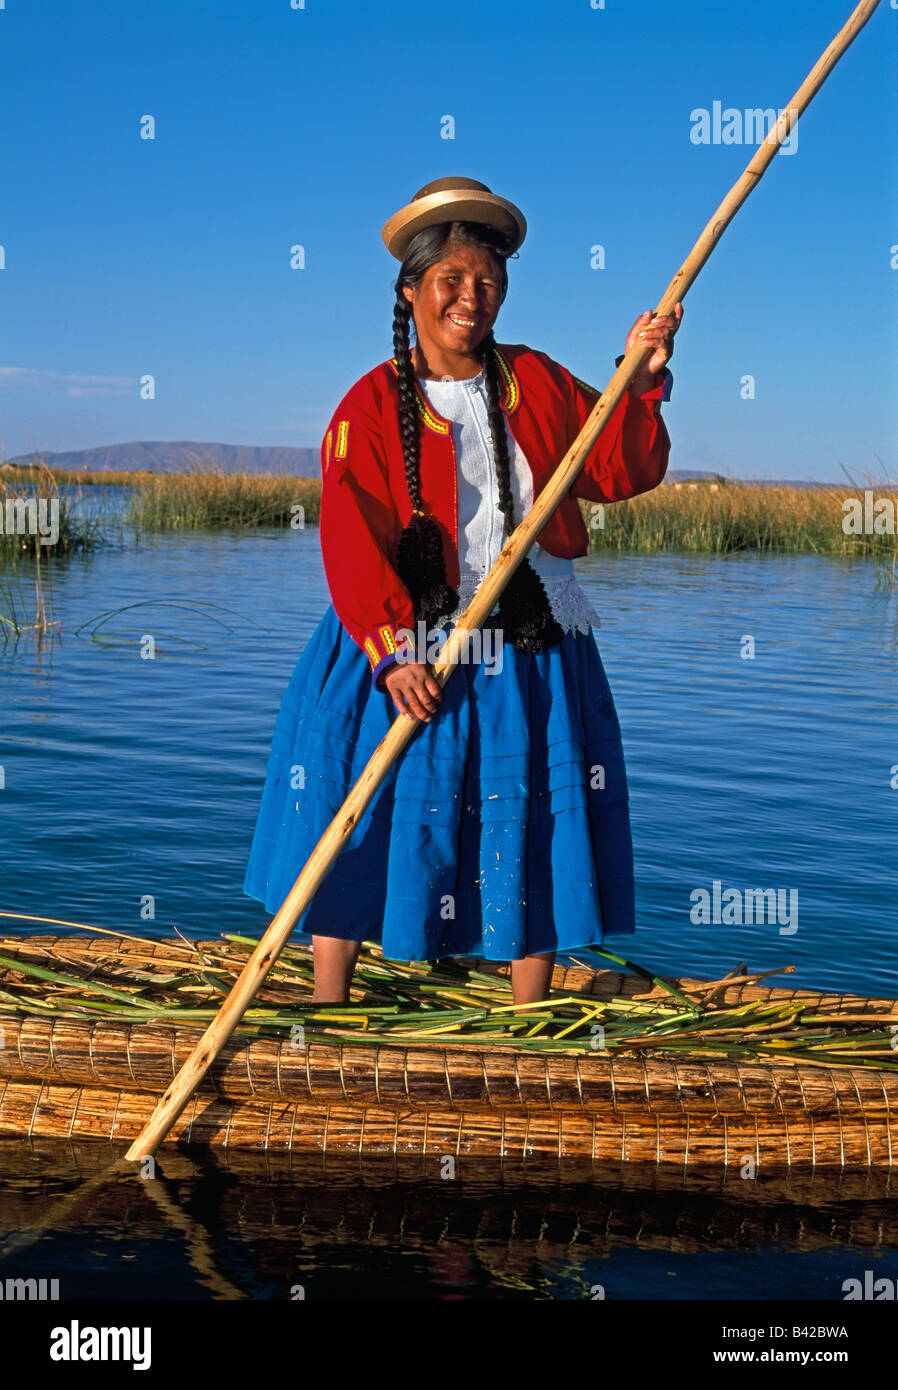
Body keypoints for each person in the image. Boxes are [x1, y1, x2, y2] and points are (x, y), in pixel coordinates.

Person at [243, 176, 682, 1005]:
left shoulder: (540, 383)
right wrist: (387, 649)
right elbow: (349, 533)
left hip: (528, 643)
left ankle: (530, 1008)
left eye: (486, 281)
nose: (469, 298)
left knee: (533, 808)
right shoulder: (370, 406)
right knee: (358, 801)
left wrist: (641, 376)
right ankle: (329, 997)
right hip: (403, 638)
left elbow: (620, 466)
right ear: (411, 291)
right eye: (450, 280)